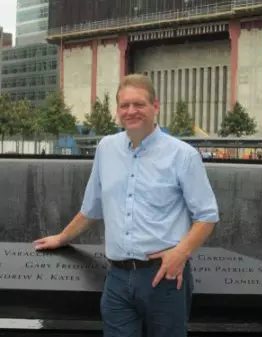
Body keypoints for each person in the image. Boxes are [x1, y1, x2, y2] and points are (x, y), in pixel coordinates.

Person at [33, 74, 219, 337]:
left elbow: (207, 216)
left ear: (155, 106)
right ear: (118, 110)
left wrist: (181, 253)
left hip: (164, 277)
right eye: (124, 105)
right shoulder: (106, 149)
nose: (131, 111)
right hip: (118, 278)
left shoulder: (183, 155)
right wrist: (61, 237)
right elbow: (92, 208)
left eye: (139, 104)